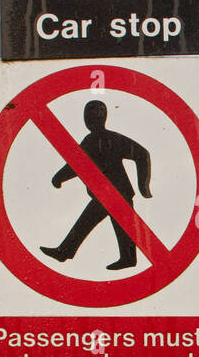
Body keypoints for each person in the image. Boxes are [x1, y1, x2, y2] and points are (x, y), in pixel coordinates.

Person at [40, 100, 152, 271]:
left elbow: (75, 164)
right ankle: (127, 258)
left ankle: (64, 252)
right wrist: (142, 187)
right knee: (122, 226)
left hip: (109, 194)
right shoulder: (112, 138)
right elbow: (142, 154)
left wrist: (58, 178)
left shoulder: (93, 140)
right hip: (116, 192)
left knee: (87, 222)